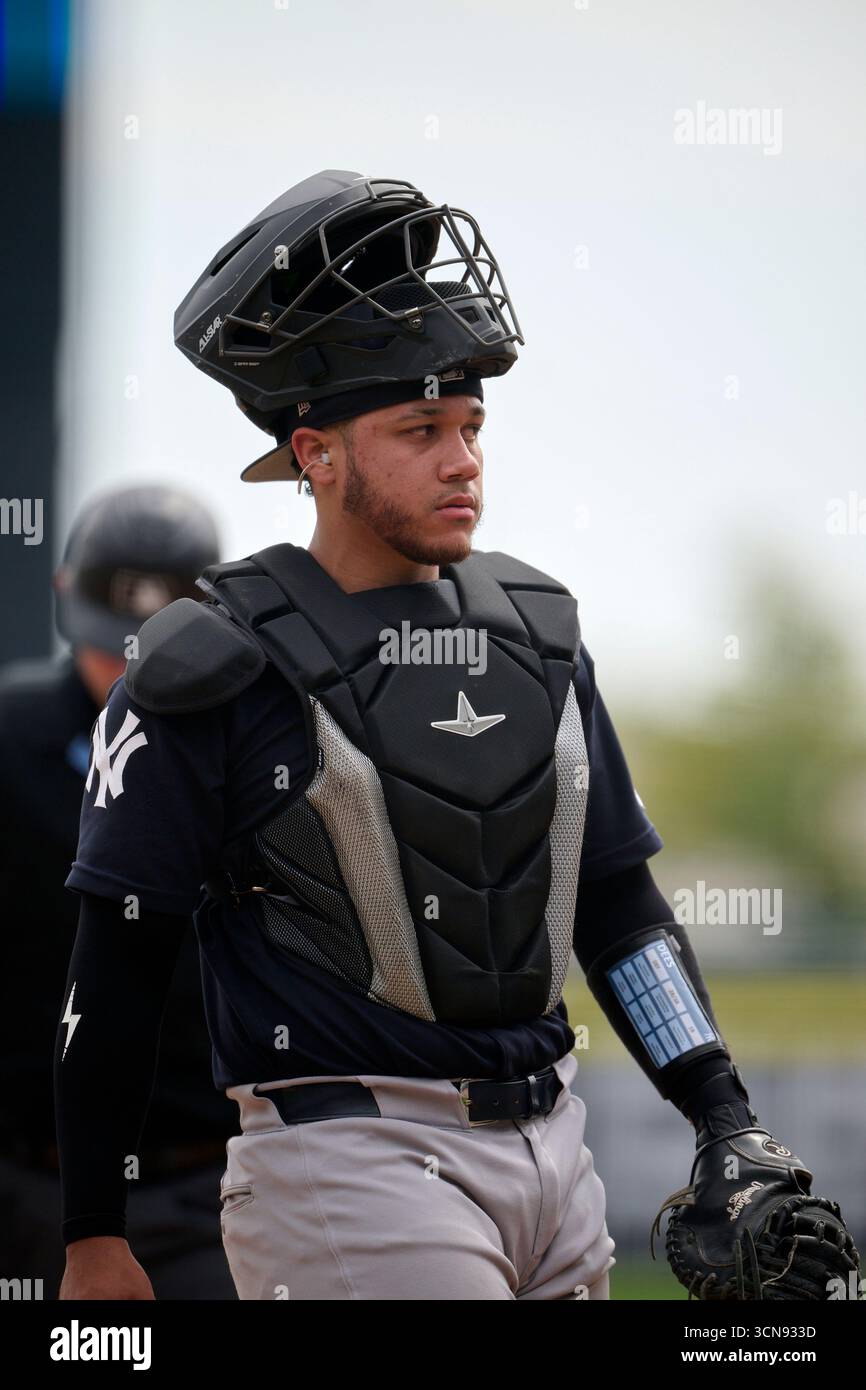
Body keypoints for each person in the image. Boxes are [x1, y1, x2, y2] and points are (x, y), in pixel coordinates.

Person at [54, 172, 858, 1301]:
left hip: (553, 1155)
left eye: (471, 425)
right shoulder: (209, 665)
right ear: (316, 454)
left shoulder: (539, 637)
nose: (461, 459)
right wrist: (96, 1231)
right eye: (419, 428)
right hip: (347, 1158)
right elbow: (118, 964)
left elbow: (619, 911)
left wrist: (723, 1118)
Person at [0, 483, 238, 1299]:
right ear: (66, 599)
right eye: (114, 649)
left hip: (209, 1189)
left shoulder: (263, 755)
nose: (131, 674)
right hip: (22, 1186)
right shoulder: (6, 741)